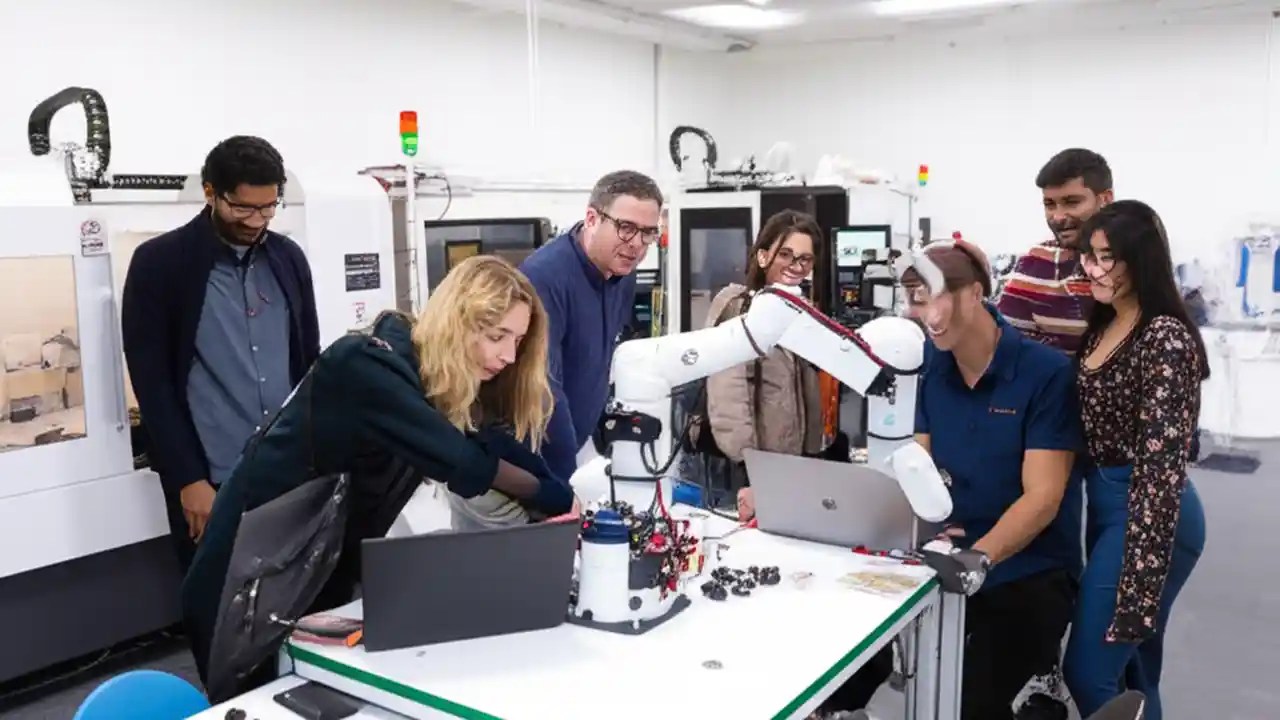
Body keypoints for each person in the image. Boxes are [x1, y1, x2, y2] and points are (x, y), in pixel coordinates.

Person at [182, 255, 574, 685]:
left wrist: (566, 499)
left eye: (517, 340)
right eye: (497, 336)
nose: (508, 355)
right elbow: (463, 462)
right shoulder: (365, 366)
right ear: (457, 322)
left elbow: (494, 440)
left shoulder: (436, 380)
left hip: (317, 571)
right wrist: (551, 497)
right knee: (261, 701)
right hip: (247, 577)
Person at [702, 210, 889, 717]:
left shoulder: (802, 311)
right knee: (753, 606)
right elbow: (728, 399)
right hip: (756, 476)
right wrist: (753, 477)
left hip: (798, 469)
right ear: (763, 254)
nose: (795, 266)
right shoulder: (739, 308)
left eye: (805, 259)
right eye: (786, 255)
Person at [904, 239, 1084, 720]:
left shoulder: (1043, 374)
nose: (930, 312)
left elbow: (1044, 497)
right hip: (950, 556)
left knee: (968, 699)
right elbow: (920, 467)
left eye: (940, 294)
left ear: (977, 292)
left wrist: (979, 556)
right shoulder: (930, 370)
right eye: (919, 298)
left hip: (1030, 569)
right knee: (902, 673)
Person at [122, 135, 319, 572]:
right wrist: (187, 479)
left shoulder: (289, 259)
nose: (256, 221)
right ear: (211, 191)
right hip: (211, 477)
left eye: (268, 208)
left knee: (294, 593)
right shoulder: (159, 264)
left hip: (285, 468)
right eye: (243, 208)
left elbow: (308, 361)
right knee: (217, 604)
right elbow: (151, 381)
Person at [1062, 201, 1208, 720]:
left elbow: (1161, 467)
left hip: (1151, 511)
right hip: (1107, 506)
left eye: (1108, 258)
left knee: (1089, 670)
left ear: (1140, 261)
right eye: (1089, 256)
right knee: (1134, 671)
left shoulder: (1163, 336)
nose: (1094, 269)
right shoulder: (1105, 324)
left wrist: (1139, 586)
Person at [520, 170, 663, 483]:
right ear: (592, 219)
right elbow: (543, 389)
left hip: (572, 445)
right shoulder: (544, 278)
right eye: (626, 228)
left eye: (648, 233)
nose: (637, 245)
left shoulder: (623, 271)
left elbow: (603, 351)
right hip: (524, 464)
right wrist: (564, 483)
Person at [996, 148, 1113, 356]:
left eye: (1072, 202)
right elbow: (1005, 351)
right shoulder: (1036, 265)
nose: (1058, 217)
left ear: (1105, 199)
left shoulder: (1135, 262)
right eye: (1049, 205)